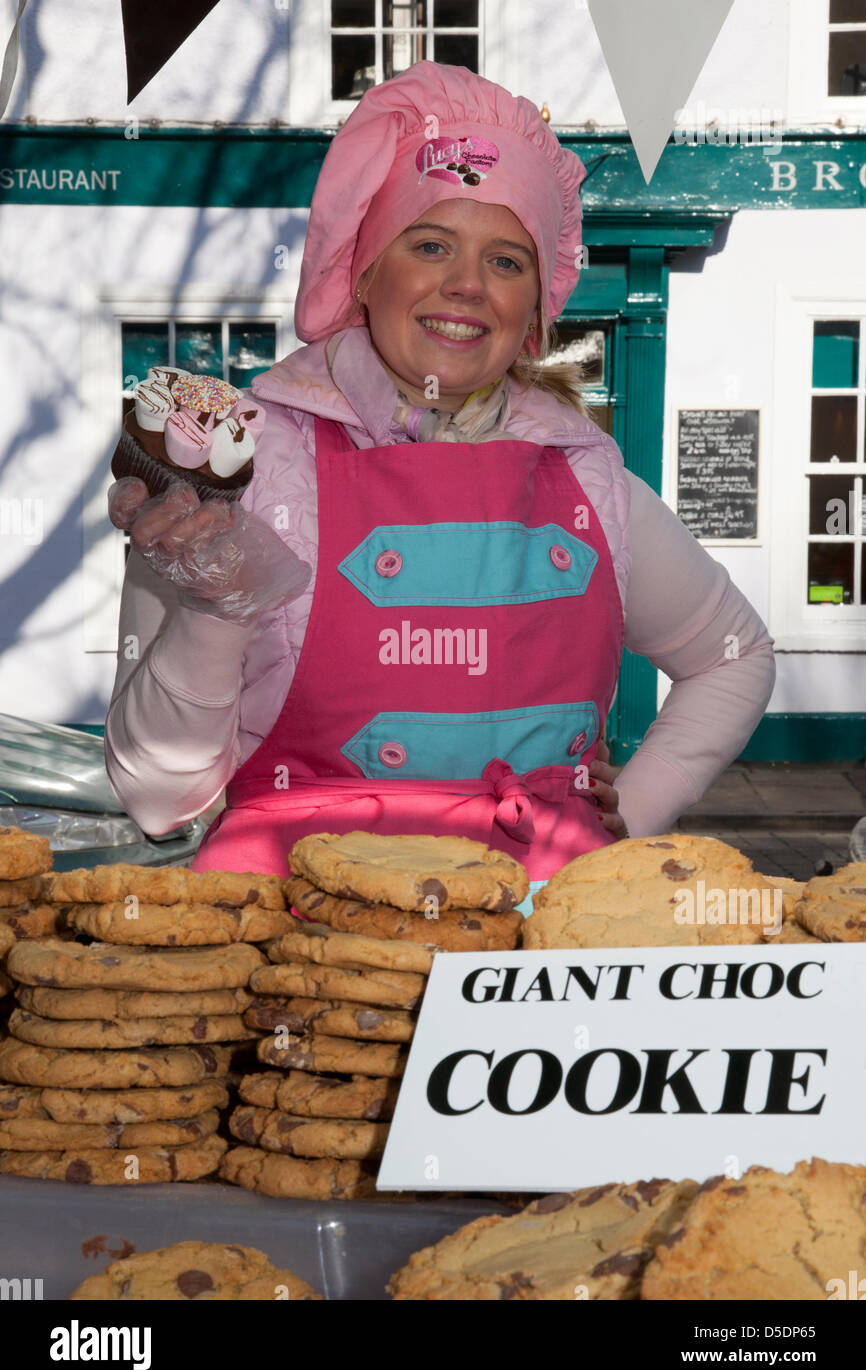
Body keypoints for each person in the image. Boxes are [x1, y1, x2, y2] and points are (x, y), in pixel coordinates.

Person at [104, 61, 774, 887]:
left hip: (529, 955)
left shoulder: (590, 483)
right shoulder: (235, 474)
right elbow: (155, 794)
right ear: (365, 269)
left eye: (506, 260)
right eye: (429, 245)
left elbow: (735, 655)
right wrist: (216, 598)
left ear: (537, 304)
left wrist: (639, 801)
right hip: (296, 944)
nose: (467, 285)